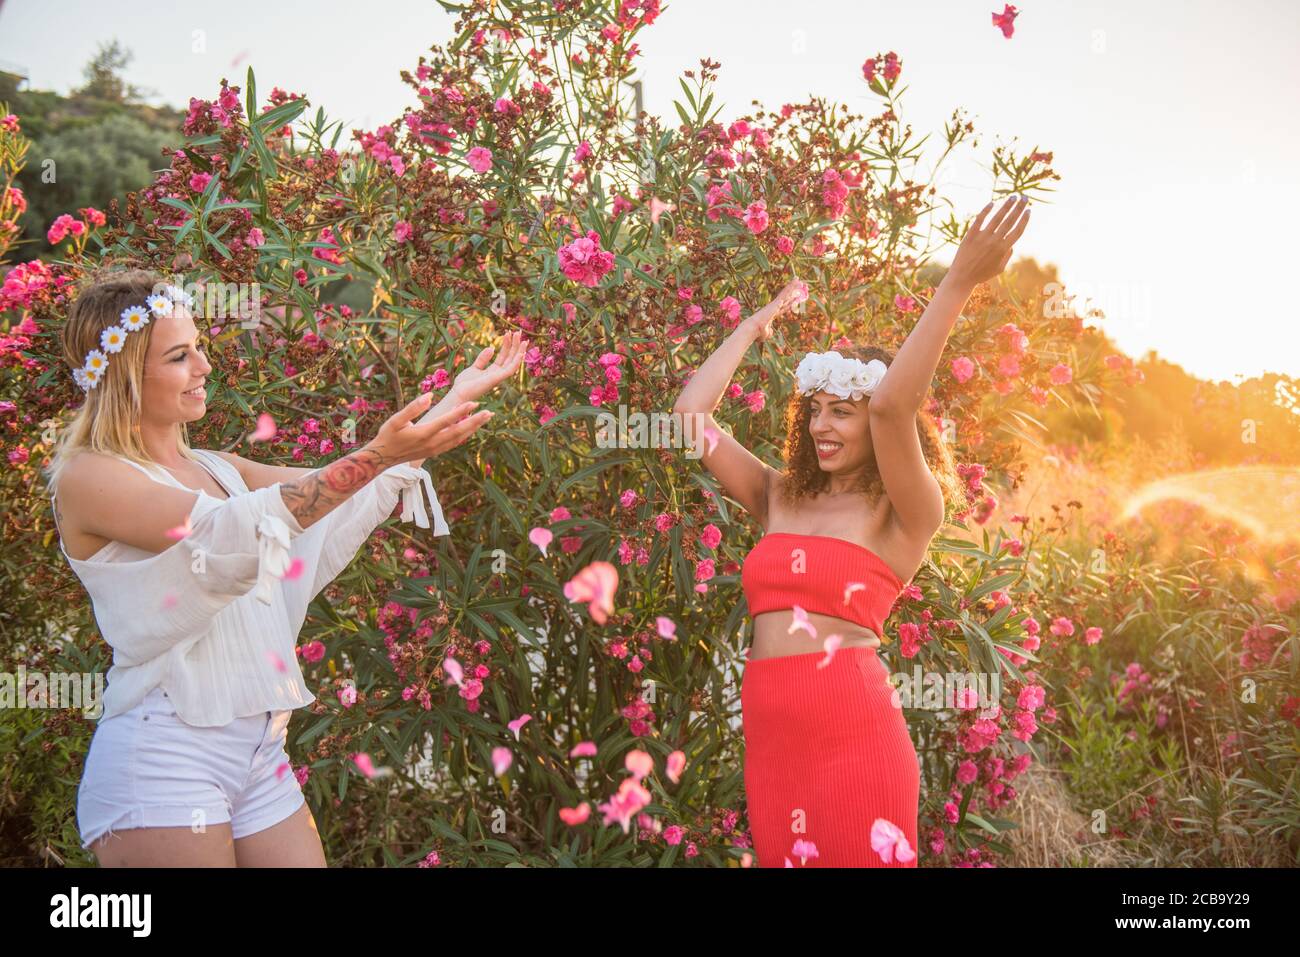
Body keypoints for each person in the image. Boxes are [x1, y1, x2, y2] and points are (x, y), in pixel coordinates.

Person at [43, 268, 525, 867]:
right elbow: (228, 532)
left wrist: (453, 399)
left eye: (200, 347)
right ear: (122, 374)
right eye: (179, 356)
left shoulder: (219, 468)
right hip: (165, 758)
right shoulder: (89, 476)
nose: (205, 368)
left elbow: (332, 490)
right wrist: (380, 453)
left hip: (258, 750)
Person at [673, 194, 1031, 866]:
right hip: (773, 747)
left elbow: (897, 405)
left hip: (855, 740)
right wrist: (755, 325)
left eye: (843, 411)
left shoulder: (905, 514)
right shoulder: (779, 494)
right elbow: (691, 415)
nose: (822, 426)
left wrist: (956, 281)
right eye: (815, 409)